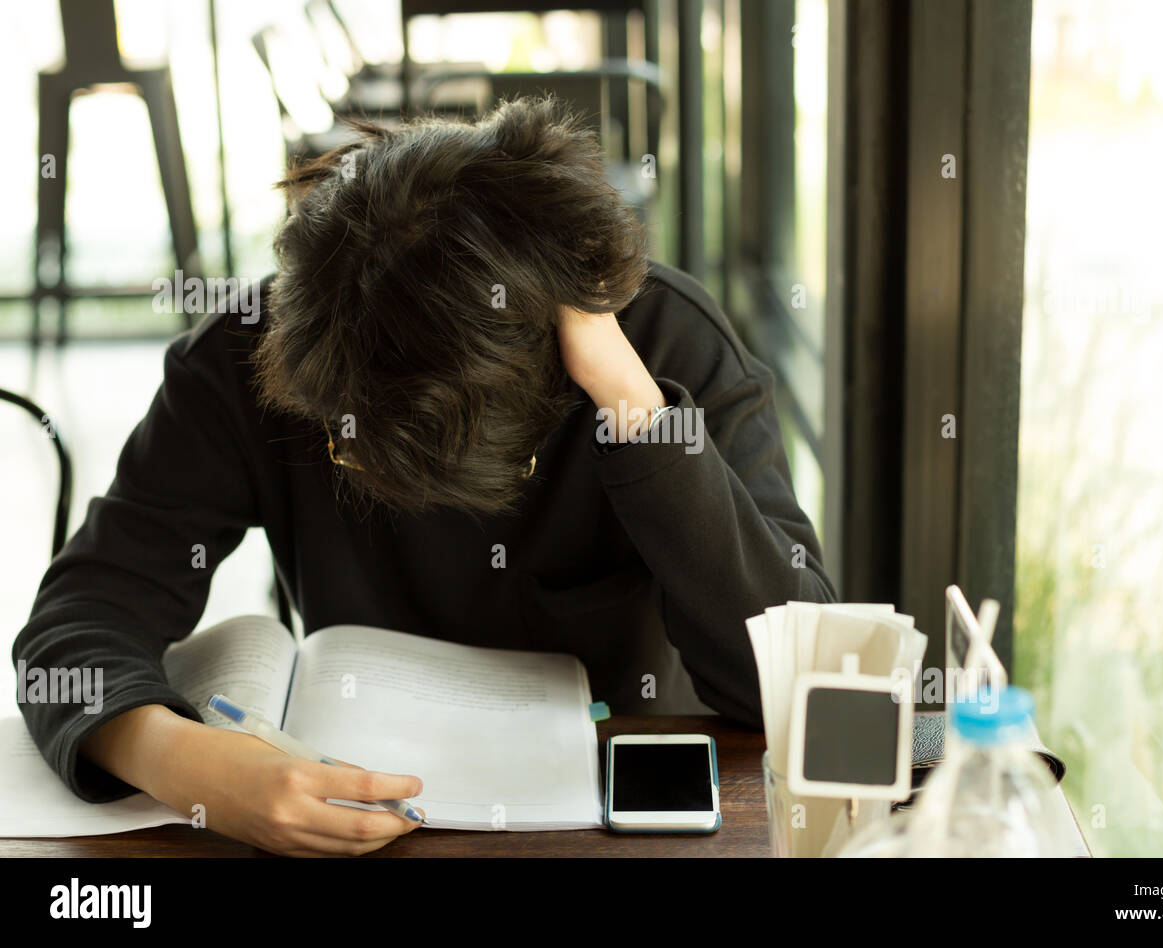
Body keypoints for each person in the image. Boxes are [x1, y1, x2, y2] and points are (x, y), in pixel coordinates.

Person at [12, 96, 835, 855]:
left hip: (605, 813)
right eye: (346, 448)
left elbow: (811, 696)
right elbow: (76, 625)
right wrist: (185, 764)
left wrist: (636, 414)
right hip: (354, 811)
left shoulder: (662, 349)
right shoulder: (255, 355)